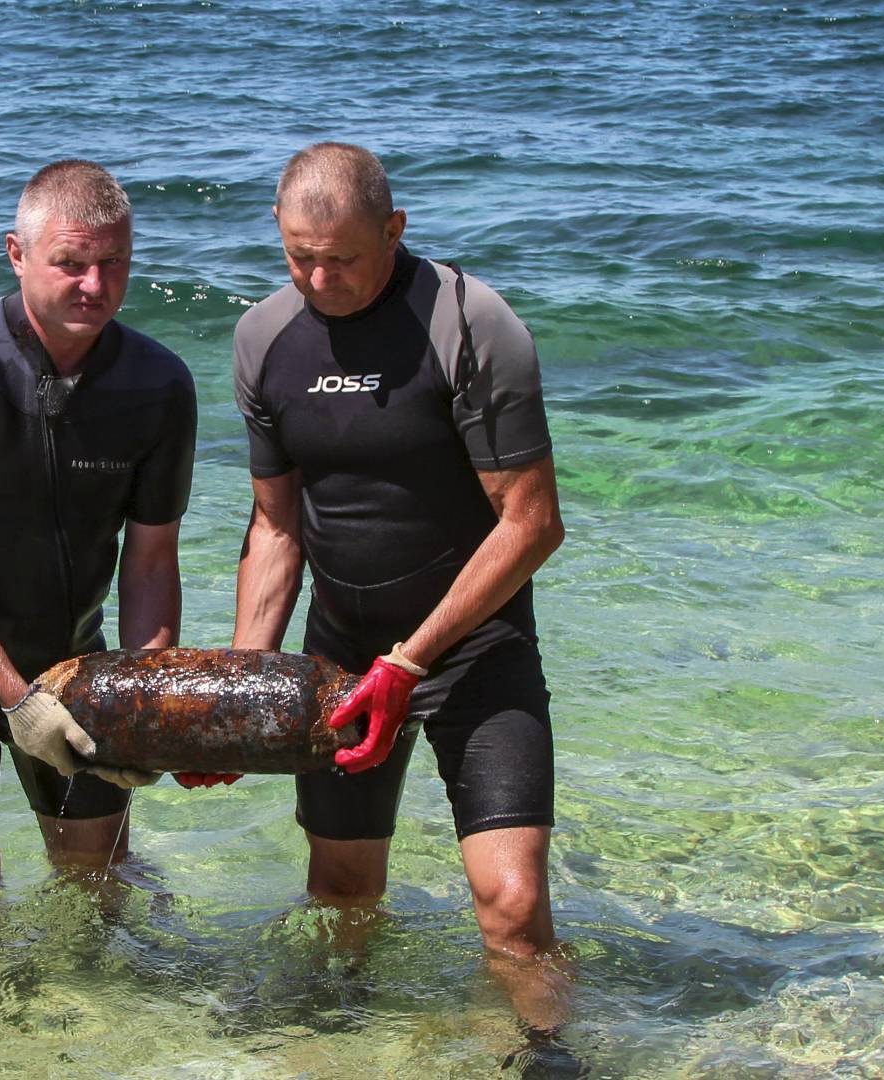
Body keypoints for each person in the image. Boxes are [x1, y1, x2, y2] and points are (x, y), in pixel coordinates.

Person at [229, 144, 570, 1027]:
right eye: (299, 255)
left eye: (341, 257)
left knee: (513, 905)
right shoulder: (265, 339)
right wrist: (239, 693)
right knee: (340, 890)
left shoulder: (470, 322)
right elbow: (274, 528)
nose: (318, 276)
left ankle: (545, 1054)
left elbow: (531, 523)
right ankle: (345, 1039)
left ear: (394, 230)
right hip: (340, 657)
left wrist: (412, 662)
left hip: (472, 652)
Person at [0, 160, 197, 898]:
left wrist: (141, 694)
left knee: (102, 877)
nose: (94, 285)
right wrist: (18, 700)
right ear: (17, 254)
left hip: (75, 663)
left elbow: (151, 560)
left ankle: (116, 1015)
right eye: (70, 263)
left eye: (113, 262)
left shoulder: (158, 383)